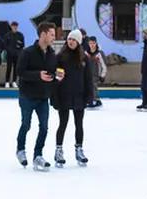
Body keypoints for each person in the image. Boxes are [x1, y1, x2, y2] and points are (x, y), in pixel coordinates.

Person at [16, 21, 57, 170]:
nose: (54, 37)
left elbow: (52, 71)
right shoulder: (27, 52)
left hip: (43, 97)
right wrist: (37, 75)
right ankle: (20, 149)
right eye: (52, 34)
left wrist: (57, 75)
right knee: (26, 125)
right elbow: (20, 72)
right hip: (27, 96)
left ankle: (38, 155)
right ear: (43, 34)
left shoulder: (52, 54)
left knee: (44, 128)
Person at [51, 29, 94, 167]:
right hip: (64, 95)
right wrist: (55, 97)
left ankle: (79, 149)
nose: (71, 42)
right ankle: (58, 150)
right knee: (63, 123)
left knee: (79, 124)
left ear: (79, 42)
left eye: (74, 40)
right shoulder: (60, 57)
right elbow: (57, 79)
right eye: (69, 39)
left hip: (79, 96)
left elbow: (88, 78)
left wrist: (89, 95)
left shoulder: (84, 59)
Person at [84, 35, 107, 109]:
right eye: (90, 43)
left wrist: (102, 75)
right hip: (87, 74)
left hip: (95, 74)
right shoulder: (86, 53)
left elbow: (103, 65)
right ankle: (91, 100)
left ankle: (95, 100)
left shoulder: (99, 54)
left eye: (93, 43)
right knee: (88, 87)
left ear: (96, 43)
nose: (92, 45)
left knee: (94, 87)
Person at [4, 21, 25, 88]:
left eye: (16, 26)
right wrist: (9, 51)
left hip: (17, 55)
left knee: (16, 69)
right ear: (11, 26)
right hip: (9, 55)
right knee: (9, 68)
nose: (15, 27)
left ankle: (14, 81)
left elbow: (22, 45)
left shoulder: (20, 35)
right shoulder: (7, 35)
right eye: (13, 26)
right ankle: (7, 82)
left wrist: (19, 51)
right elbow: (5, 45)